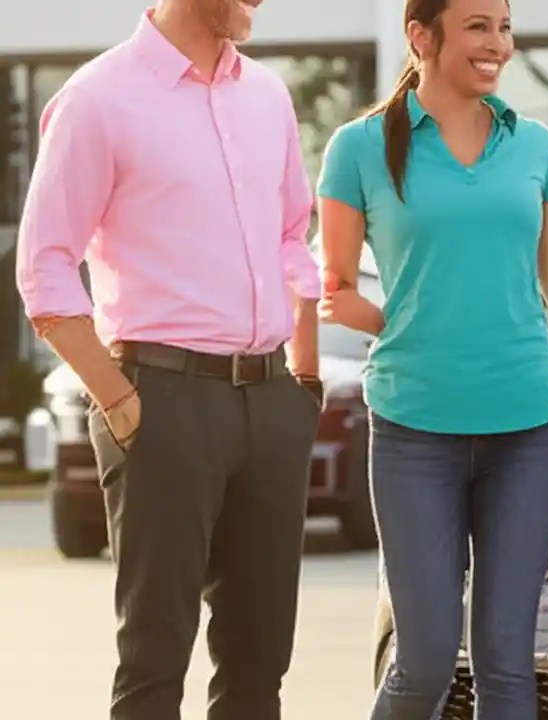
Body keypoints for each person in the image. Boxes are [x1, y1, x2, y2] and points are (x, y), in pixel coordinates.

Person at [313, 0, 548, 716]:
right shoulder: (359, 148)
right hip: (414, 428)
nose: (498, 44)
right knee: (423, 661)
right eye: (478, 26)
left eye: (505, 27)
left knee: (507, 663)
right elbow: (332, 287)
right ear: (422, 36)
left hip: (529, 426)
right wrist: (416, 320)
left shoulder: (533, 145)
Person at [14, 1, 324, 719]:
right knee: (155, 663)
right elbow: (46, 267)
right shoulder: (97, 100)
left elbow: (291, 239)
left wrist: (302, 382)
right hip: (162, 401)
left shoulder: (267, 96)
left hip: (273, 399)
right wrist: (120, 402)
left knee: (259, 664)